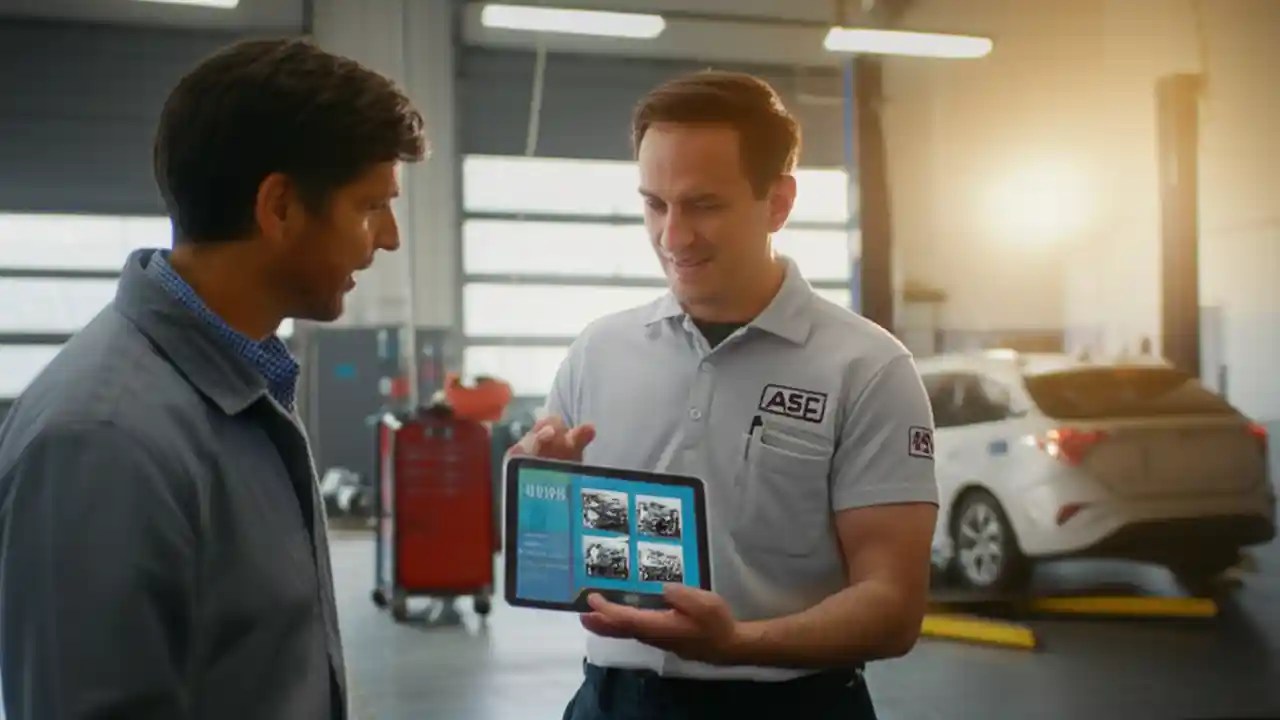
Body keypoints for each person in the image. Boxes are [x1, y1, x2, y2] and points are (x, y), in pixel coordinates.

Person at [0, 38, 425, 719]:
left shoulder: (237, 388)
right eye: (370, 206)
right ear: (279, 207)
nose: (390, 237)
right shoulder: (104, 441)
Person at [512, 71, 939, 719]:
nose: (672, 237)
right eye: (655, 204)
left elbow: (892, 605)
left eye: (704, 205)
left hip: (793, 705)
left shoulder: (867, 368)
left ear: (778, 202)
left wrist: (739, 644)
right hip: (611, 701)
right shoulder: (598, 352)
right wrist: (538, 493)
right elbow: (559, 560)